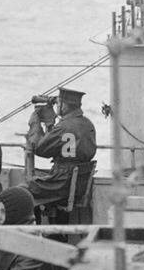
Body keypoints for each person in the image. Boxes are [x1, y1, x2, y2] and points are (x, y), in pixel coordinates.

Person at [25, 87, 96, 223]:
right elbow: (58, 146)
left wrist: (35, 122)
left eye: (58, 104)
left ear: (64, 106)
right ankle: (58, 234)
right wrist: (51, 124)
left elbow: (40, 149)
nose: (58, 107)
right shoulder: (88, 124)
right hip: (77, 186)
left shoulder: (63, 127)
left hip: (62, 184)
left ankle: (33, 233)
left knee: (25, 191)